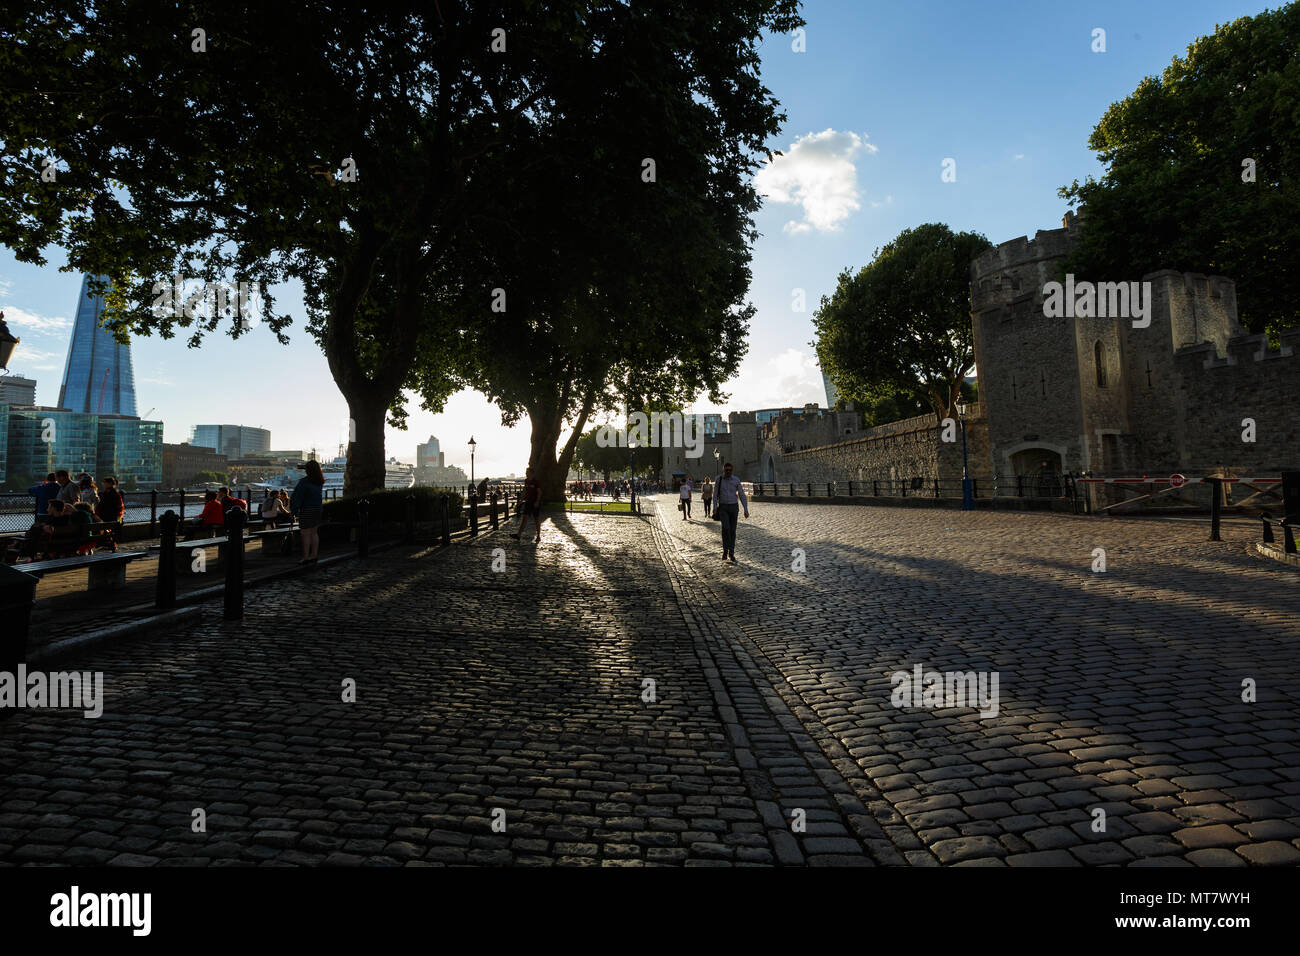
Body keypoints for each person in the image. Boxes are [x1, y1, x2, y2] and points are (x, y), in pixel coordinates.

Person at [291, 459, 326, 564]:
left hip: (307, 509)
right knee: (314, 533)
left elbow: (298, 498)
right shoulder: (319, 482)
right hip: (317, 509)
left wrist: (293, 511)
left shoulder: (304, 482)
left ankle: (306, 557)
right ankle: (314, 555)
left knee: (305, 534)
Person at [713, 462, 749, 563]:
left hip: (734, 507)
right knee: (725, 528)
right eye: (726, 470)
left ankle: (731, 552)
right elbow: (715, 494)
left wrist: (745, 509)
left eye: (730, 470)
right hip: (723, 507)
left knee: (732, 530)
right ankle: (725, 549)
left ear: (732, 470)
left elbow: (741, 494)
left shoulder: (736, 480)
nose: (728, 472)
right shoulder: (719, 479)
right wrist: (715, 506)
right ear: (723, 470)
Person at [94, 476, 124, 551]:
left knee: (109, 530)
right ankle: (108, 543)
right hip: (105, 514)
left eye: (104, 482)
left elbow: (119, 506)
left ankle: (110, 543)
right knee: (106, 530)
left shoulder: (114, 494)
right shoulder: (105, 493)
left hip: (110, 515)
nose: (103, 484)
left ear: (110, 483)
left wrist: (118, 516)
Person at [514, 466, 542, 543]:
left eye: (527, 472)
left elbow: (539, 492)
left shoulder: (536, 481)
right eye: (526, 472)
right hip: (528, 502)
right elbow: (524, 492)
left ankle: (538, 535)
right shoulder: (526, 481)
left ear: (531, 473)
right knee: (524, 518)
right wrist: (521, 500)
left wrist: (537, 501)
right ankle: (518, 535)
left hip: (535, 503)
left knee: (536, 519)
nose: (526, 473)